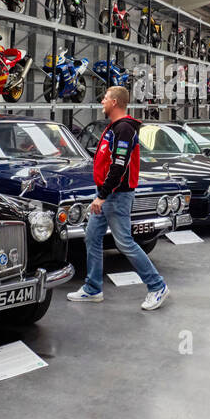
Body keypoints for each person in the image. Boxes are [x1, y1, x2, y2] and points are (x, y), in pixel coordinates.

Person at [68, 85, 169, 311]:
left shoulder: (124, 129)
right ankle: (93, 288)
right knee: (92, 237)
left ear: (114, 102)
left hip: (116, 196)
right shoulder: (113, 129)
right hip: (106, 194)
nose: (102, 102)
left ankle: (157, 286)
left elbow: (119, 166)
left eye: (104, 98)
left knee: (124, 243)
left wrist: (102, 196)